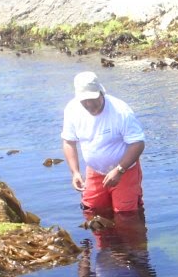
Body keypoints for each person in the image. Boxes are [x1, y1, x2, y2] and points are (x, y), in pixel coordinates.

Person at [61, 71, 146, 216]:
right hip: (95, 170)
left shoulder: (120, 111)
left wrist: (119, 170)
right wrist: (75, 172)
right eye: (84, 100)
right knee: (92, 212)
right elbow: (69, 142)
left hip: (125, 171)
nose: (89, 104)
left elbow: (137, 143)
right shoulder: (72, 110)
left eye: (93, 99)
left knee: (126, 215)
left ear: (101, 92)